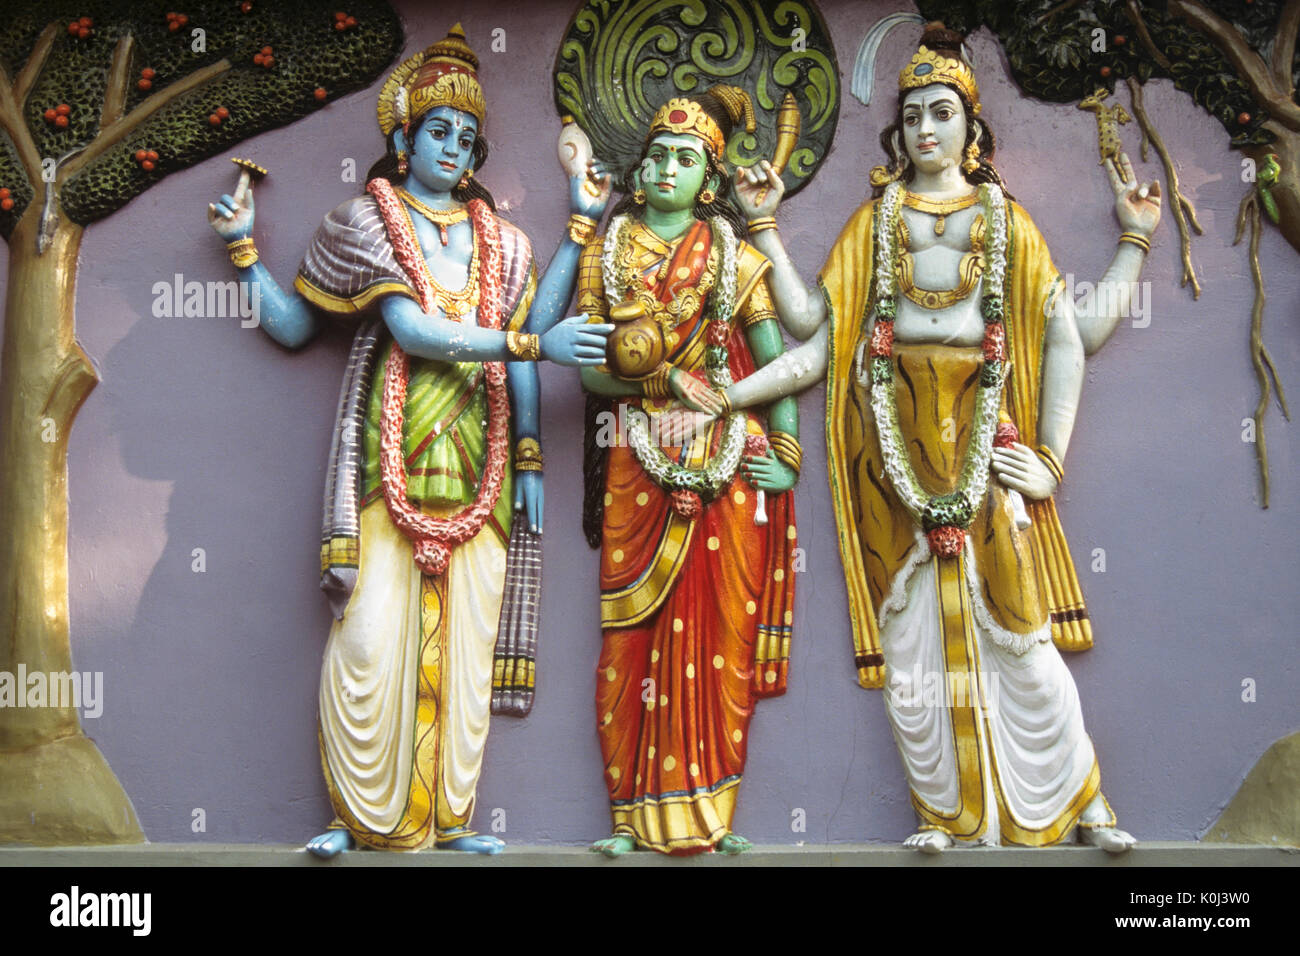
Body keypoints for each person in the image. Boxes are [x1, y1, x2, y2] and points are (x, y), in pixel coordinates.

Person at [725, 23, 1160, 852]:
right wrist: (763, 233)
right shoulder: (873, 222)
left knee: (1020, 631)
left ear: (973, 129)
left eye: (943, 114)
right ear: (896, 132)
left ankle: (1083, 804)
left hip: (984, 444)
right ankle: (946, 815)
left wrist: (1133, 243)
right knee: (913, 642)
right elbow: (816, 332)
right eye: (914, 116)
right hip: (891, 459)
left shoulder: (1009, 224)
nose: (926, 129)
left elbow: (1070, 335)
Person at [206, 25, 612, 856]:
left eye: (467, 138)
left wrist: (578, 228)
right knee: (368, 634)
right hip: (388, 454)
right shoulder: (364, 223)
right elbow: (385, 330)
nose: (454, 148)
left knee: (466, 643)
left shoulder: (504, 241)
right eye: (438, 131)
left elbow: (529, 325)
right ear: (400, 138)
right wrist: (244, 250)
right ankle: (360, 820)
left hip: (483, 457)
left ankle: (447, 817)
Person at [577, 86, 801, 856]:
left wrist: (790, 450)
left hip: (726, 467)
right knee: (628, 638)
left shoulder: (731, 255)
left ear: (709, 181)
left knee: (720, 637)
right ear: (638, 174)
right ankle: (627, 819)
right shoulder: (605, 254)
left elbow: (779, 362)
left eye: (686, 159)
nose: (668, 168)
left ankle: (713, 812)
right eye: (658, 157)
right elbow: (589, 374)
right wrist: (664, 380)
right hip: (636, 463)